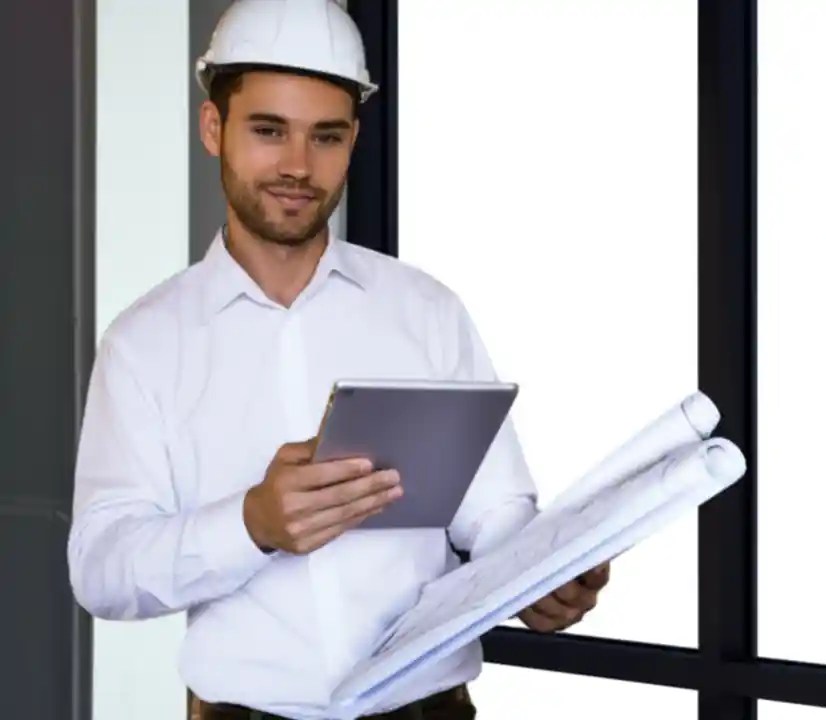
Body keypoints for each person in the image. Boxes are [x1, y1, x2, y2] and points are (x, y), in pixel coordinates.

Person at [66, 1, 610, 718]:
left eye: (326, 136)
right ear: (213, 129)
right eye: (269, 131)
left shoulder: (427, 310)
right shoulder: (145, 343)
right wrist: (252, 524)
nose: (298, 165)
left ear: (353, 140)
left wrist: (539, 573)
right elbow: (102, 569)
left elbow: (496, 510)